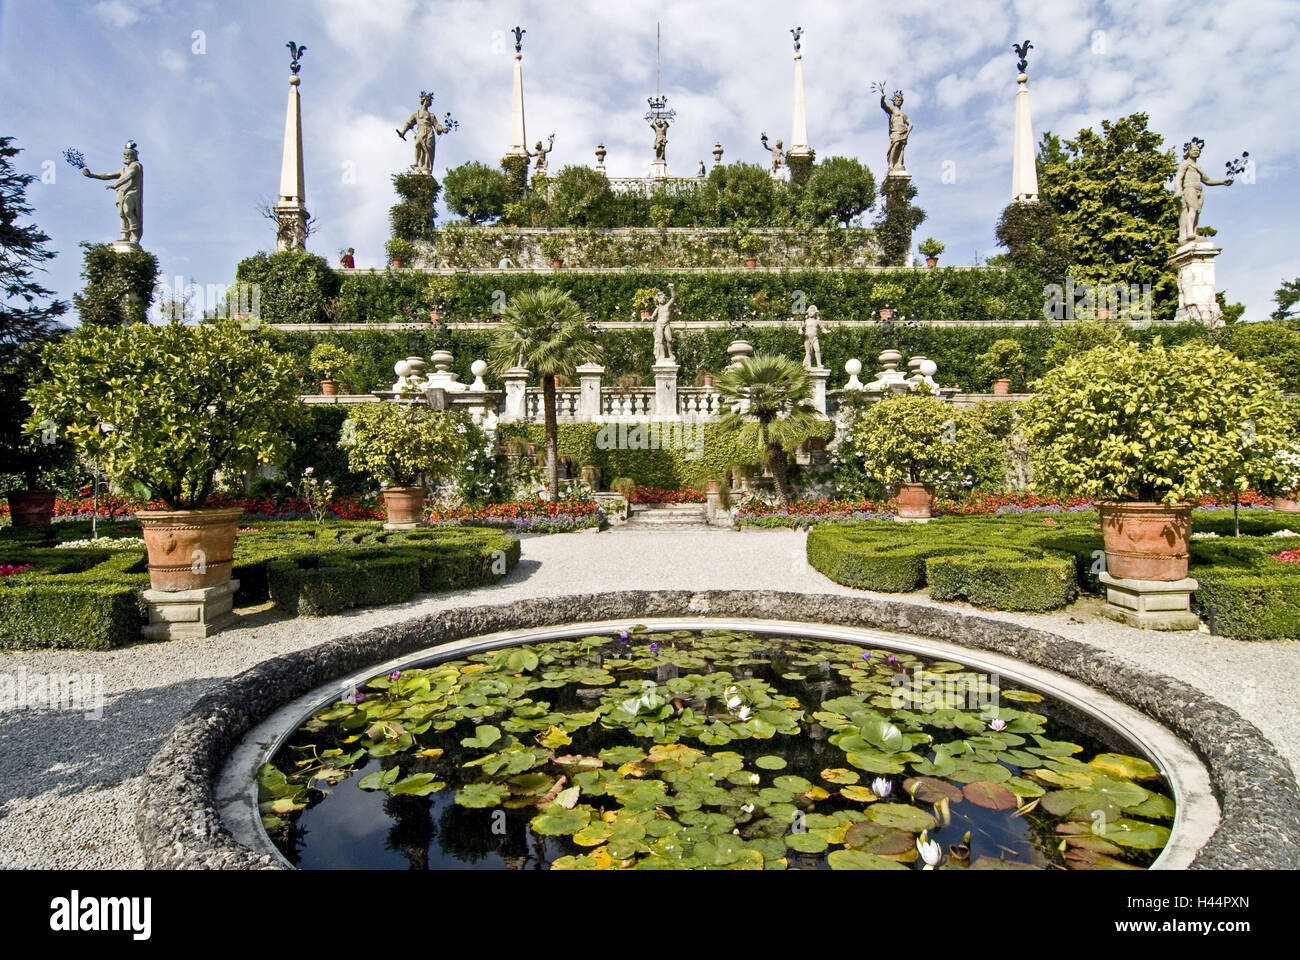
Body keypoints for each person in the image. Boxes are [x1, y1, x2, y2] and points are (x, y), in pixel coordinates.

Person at [1174, 138, 1233, 245]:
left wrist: (1223, 182)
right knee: (1193, 209)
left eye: (1198, 150)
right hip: (1189, 188)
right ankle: (1190, 233)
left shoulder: (1198, 167)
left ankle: (1194, 232)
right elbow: (1178, 177)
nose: (1196, 152)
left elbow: (1207, 180)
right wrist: (1178, 189)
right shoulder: (1185, 164)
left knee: (1197, 212)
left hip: (1199, 190)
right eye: (1194, 150)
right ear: (1188, 151)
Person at [83, 141, 143, 244]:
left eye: (128, 155)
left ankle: (135, 234)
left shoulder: (136, 165)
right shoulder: (123, 169)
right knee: (122, 213)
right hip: (122, 192)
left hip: (132, 192)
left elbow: (129, 176)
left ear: (133, 156)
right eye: (125, 154)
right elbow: (108, 175)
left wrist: (115, 184)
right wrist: (92, 175)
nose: (126, 156)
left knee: (128, 210)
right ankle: (125, 234)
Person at [396, 93, 447, 175]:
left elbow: (436, 125)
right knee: (417, 145)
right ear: (423, 101)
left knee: (428, 149)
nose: (428, 102)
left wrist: (443, 129)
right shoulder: (417, 113)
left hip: (429, 131)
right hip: (420, 130)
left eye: (429, 101)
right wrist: (403, 132)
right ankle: (416, 164)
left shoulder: (431, 115)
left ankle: (425, 168)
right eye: (427, 100)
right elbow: (409, 123)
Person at [880, 91, 912, 173]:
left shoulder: (903, 114)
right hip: (895, 131)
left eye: (900, 100)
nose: (898, 101)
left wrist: (908, 130)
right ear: (894, 101)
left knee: (901, 147)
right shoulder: (892, 110)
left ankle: (899, 164)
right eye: (897, 100)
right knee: (895, 145)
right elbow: (884, 106)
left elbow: (910, 124)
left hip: (903, 131)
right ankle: (891, 164)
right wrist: (882, 99)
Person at [652, 282, 677, 363]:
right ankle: (662, 356)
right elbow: (652, 317)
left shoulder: (667, 306)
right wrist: (646, 318)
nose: (661, 299)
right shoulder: (658, 309)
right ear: (657, 300)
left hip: (666, 324)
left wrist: (672, 289)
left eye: (662, 298)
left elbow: (673, 298)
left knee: (669, 339)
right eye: (660, 298)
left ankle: (670, 353)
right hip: (659, 324)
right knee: (660, 340)